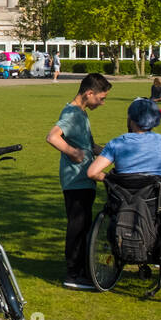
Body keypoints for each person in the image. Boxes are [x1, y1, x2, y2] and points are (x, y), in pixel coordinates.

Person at [45, 72, 112, 289]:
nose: (102, 103)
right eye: (101, 98)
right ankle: (73, 275)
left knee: (83, 226)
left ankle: (82, 270)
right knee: (77, 226)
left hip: (84, 179)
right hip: (76, 180)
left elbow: (89, 146)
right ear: (89, 93)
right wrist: (72, 152)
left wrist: (111, 152)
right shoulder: (73, 114)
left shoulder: (81, 114)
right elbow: (52, 136)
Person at [87, 98, 161, 184]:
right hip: (158, 201)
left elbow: (92, 173)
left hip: (125, 199)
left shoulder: (117, 143)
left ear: (131, 118)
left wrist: (113, 179)